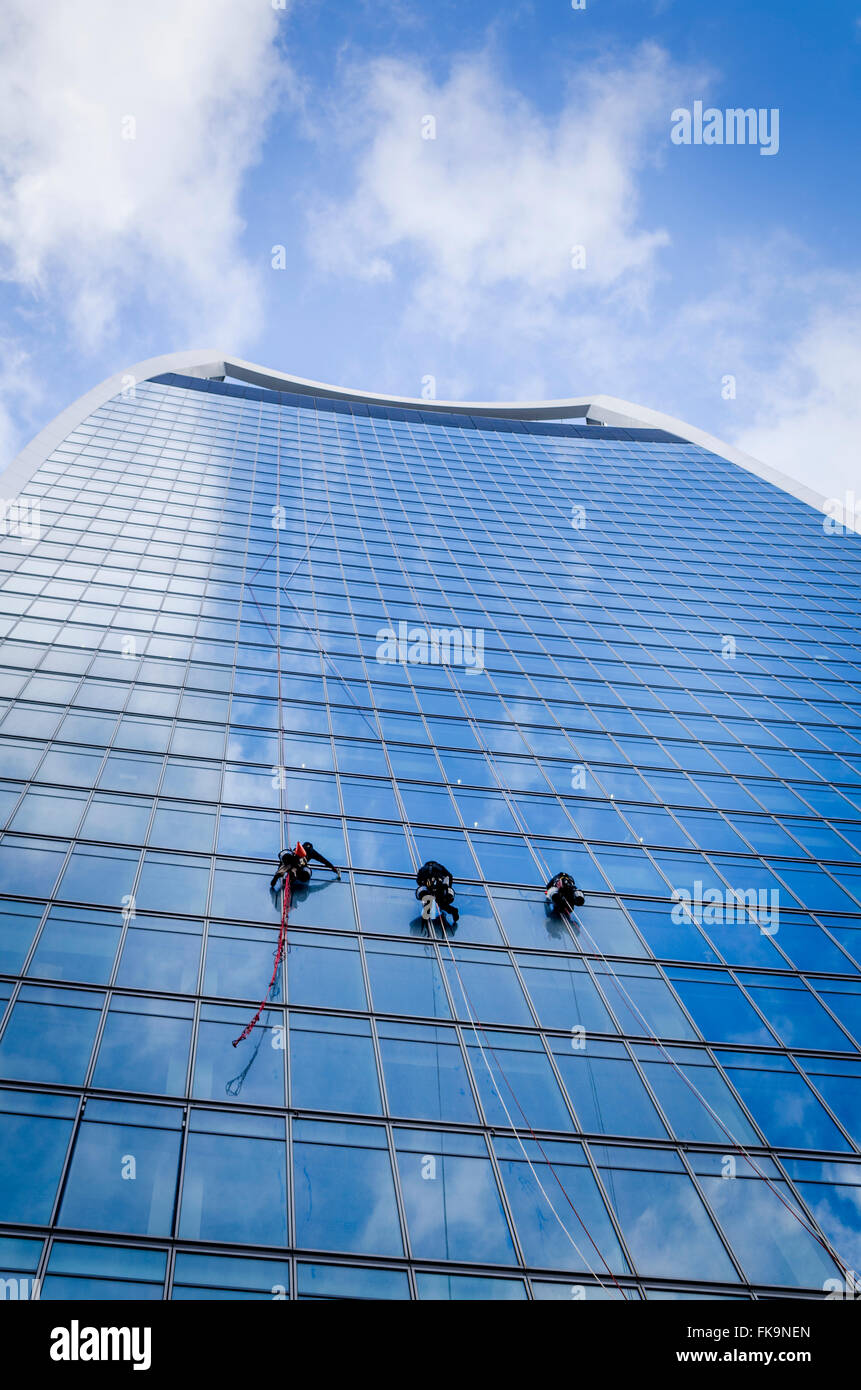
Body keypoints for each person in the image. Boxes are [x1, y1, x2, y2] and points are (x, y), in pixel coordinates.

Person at [270, 840, 341, 892]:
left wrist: (279, 869)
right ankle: (292, 878)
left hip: (292, 860)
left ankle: (280, 874)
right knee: (298, 870)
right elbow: (324, 861)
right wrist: (334, 869)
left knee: (288, 863)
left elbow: (283, 861)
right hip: (300, 863)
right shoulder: (312, 851)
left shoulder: (298, 848)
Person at [415, 859, 459, 930]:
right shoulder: (439, 867)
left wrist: (423, 884)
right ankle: (453, 911)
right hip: (439, 885)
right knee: (441, 903)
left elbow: (418, 880)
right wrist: (448, 887)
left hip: (429, 886)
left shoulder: (423, 869)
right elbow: (449, 876)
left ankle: (426, 917)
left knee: (428, 901)